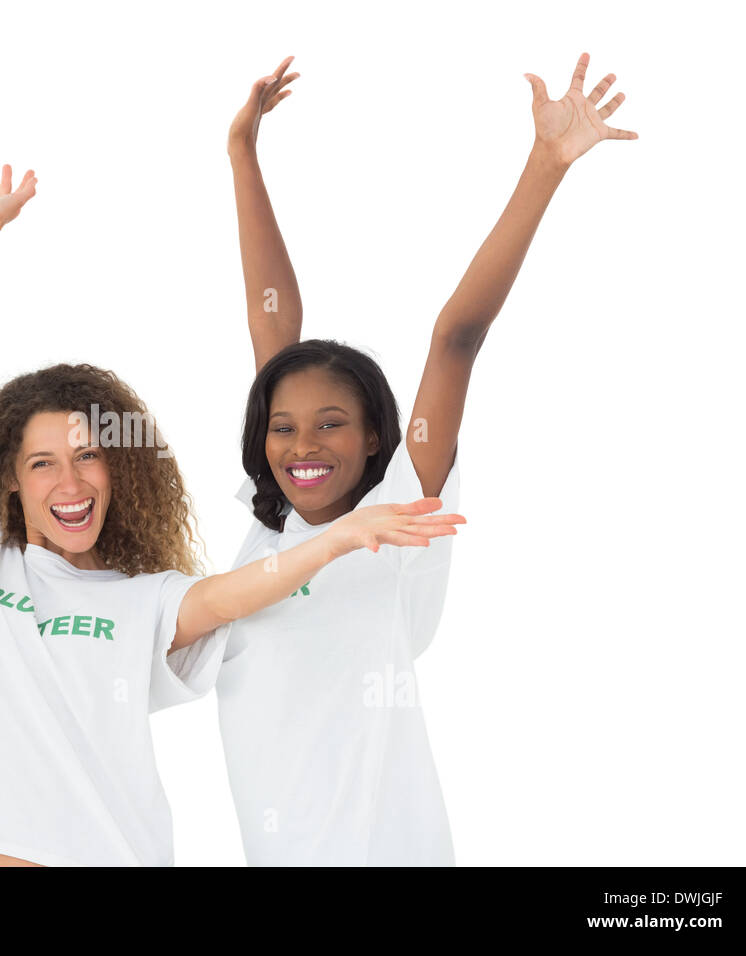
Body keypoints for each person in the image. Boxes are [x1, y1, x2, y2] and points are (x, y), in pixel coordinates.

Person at [0, 165, 465, 866]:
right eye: (42, 462)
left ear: (118, 468)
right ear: (7, 479)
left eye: (87, 456)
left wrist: (339, 539)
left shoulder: (144, 600)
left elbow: (233, 594)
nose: (68, 482)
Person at [216, 53, 637, 865]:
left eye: (332, 425)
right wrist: (243, 154)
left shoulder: (404, 517)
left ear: (376, 437)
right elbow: (272, 329)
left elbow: (457, 338)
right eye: (285, 428)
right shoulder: (266, 537)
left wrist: (544, 167)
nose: (303, 445)